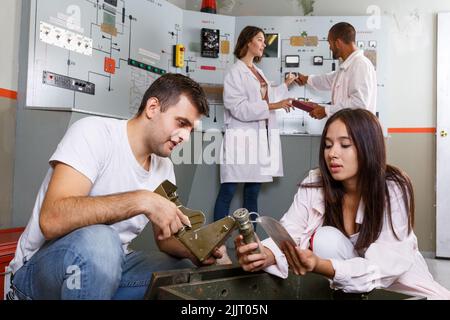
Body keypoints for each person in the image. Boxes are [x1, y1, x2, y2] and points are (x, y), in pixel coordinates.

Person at [6, 73, 224, 300]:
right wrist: (142, 200)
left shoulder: (164, 168)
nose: (185, 137)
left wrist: (197, 250)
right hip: (38, 273)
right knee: (101, 241)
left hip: (108, 268)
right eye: (181, 123)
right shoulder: (94, 133)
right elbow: (52, 219)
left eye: (191, 129)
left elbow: (164, 238)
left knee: (182, 272)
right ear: (152, 108)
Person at [235, 108, 450, 300]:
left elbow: (383, 267)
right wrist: (264, 254)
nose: (332, 154)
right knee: (324, 238)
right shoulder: (315, 182)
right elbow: (291, 231)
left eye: (344, 144)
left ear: (368, 147)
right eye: (328, 145)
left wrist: (322, 266)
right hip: (344, 282)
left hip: (397, 283)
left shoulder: (392, 188)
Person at [213, 26, 296, 263]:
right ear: (248, 42)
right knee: (227, 192)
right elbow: (237, 107)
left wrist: (285, 86)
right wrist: (272, 106)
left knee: (252, 193)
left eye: (263, 41)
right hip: (240, 140)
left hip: (258, 141)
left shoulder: (257, 71)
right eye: (260, 40)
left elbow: (268, 96)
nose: (263, 44)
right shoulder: (234, 73)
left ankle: (252, 247)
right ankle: (217, 248)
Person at [296, 22, 377, 120]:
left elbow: (359, 103)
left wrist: (326, 110)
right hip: (348, 128)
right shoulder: (347, 67)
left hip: (357, 131)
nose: (330, 48)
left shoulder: (360, 64)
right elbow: (327, 80)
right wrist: (306, 79)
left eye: (330, 43)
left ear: (338, 43)